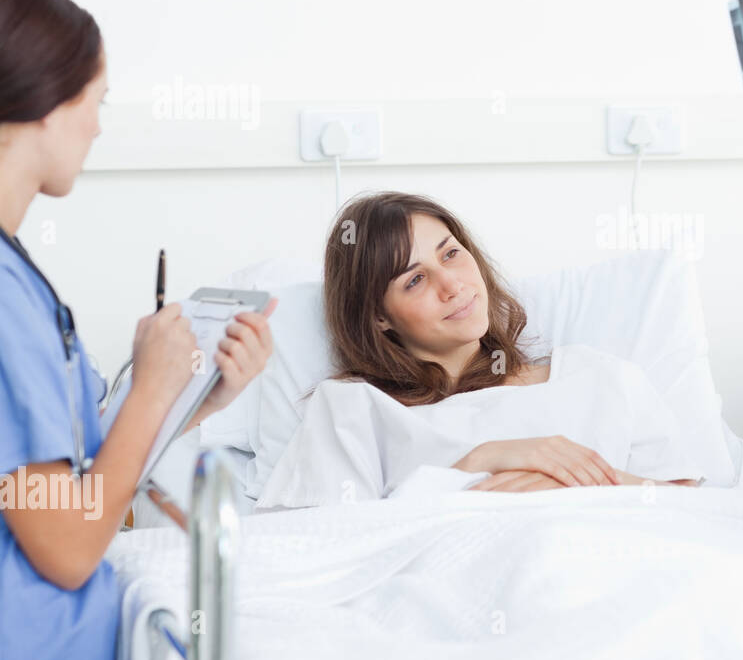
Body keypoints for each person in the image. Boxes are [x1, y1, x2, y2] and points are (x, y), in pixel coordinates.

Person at [0, 0, 277, 660]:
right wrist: (152, 386)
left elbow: (87, 474)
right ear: (44, 102)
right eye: (97, 101)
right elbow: (65, 546)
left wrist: (191, 395)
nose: (97, 125)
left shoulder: (17, 281)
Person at [258, 191, 703, 506]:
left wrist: (564, 484)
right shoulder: (354, 410)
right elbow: (322, 549)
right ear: (378, 317)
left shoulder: (602, 378)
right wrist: (479, 463)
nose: (452, 285)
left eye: (450, 254)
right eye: (414, 280)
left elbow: (692, 514)